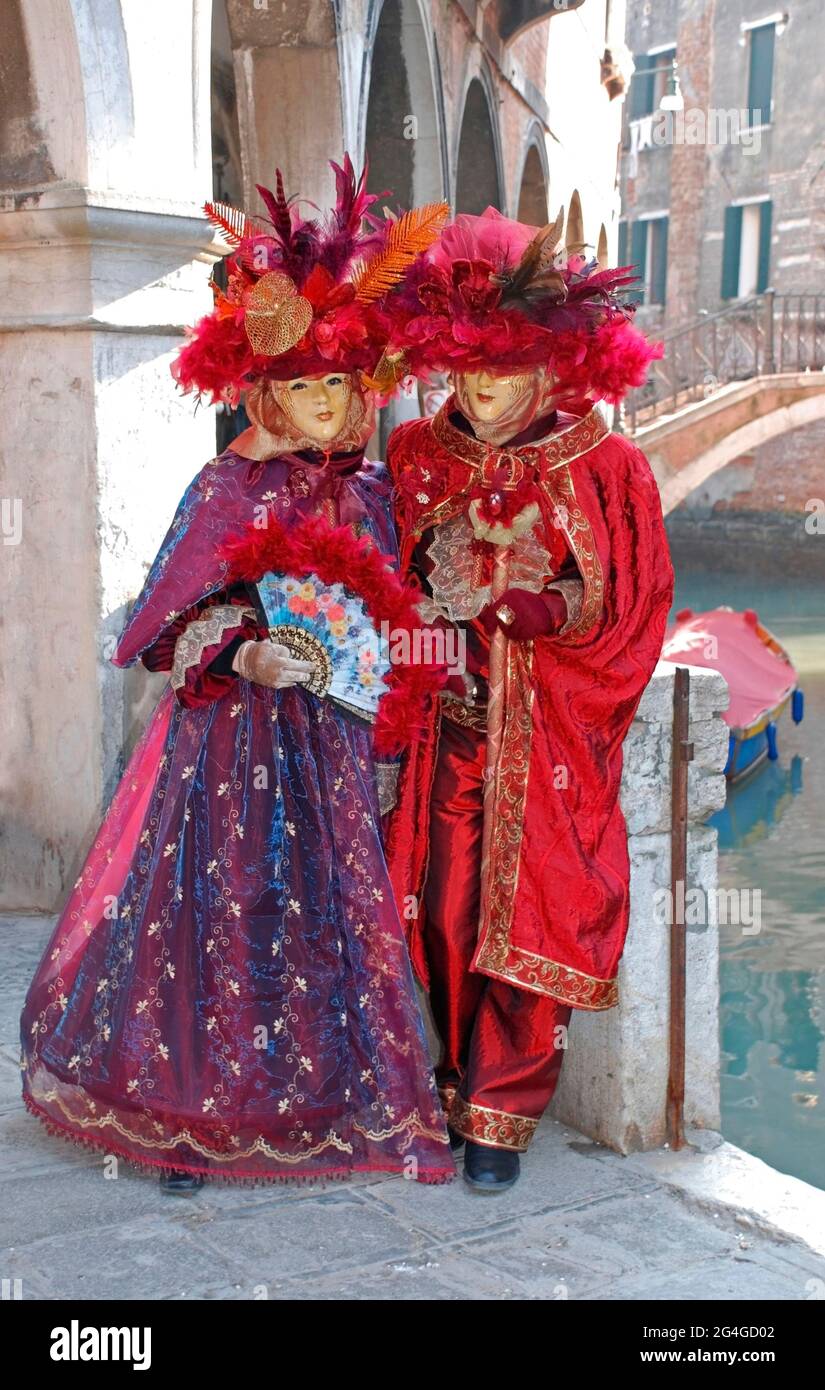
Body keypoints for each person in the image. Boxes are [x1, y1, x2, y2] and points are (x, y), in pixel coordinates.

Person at [19, 158, 456, 1192]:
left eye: (335, 383)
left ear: (361, 388)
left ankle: (322, 1093)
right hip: (232, 746)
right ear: (263, 387)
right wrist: (245, 645)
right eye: (297, 383)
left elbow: (393, 625)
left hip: (332, 745)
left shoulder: (374, 497)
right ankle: (184, 1112)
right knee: (220, 913)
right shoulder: (227, 486)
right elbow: (164, 626)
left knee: (326, 914)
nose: (318, 402)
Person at [379, 200, 675, 1190]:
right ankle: (449, 1080)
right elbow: (387, 583)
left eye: (501, 365)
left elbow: (635, 608)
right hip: (446, 736)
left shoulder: (610, 468)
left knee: (523, 928)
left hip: (545, 740)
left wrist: (547, 613)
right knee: (442, 915)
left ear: (551, 358)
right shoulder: (420, 456)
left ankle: (500, 1119)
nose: (480, 386)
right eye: (462, 365)